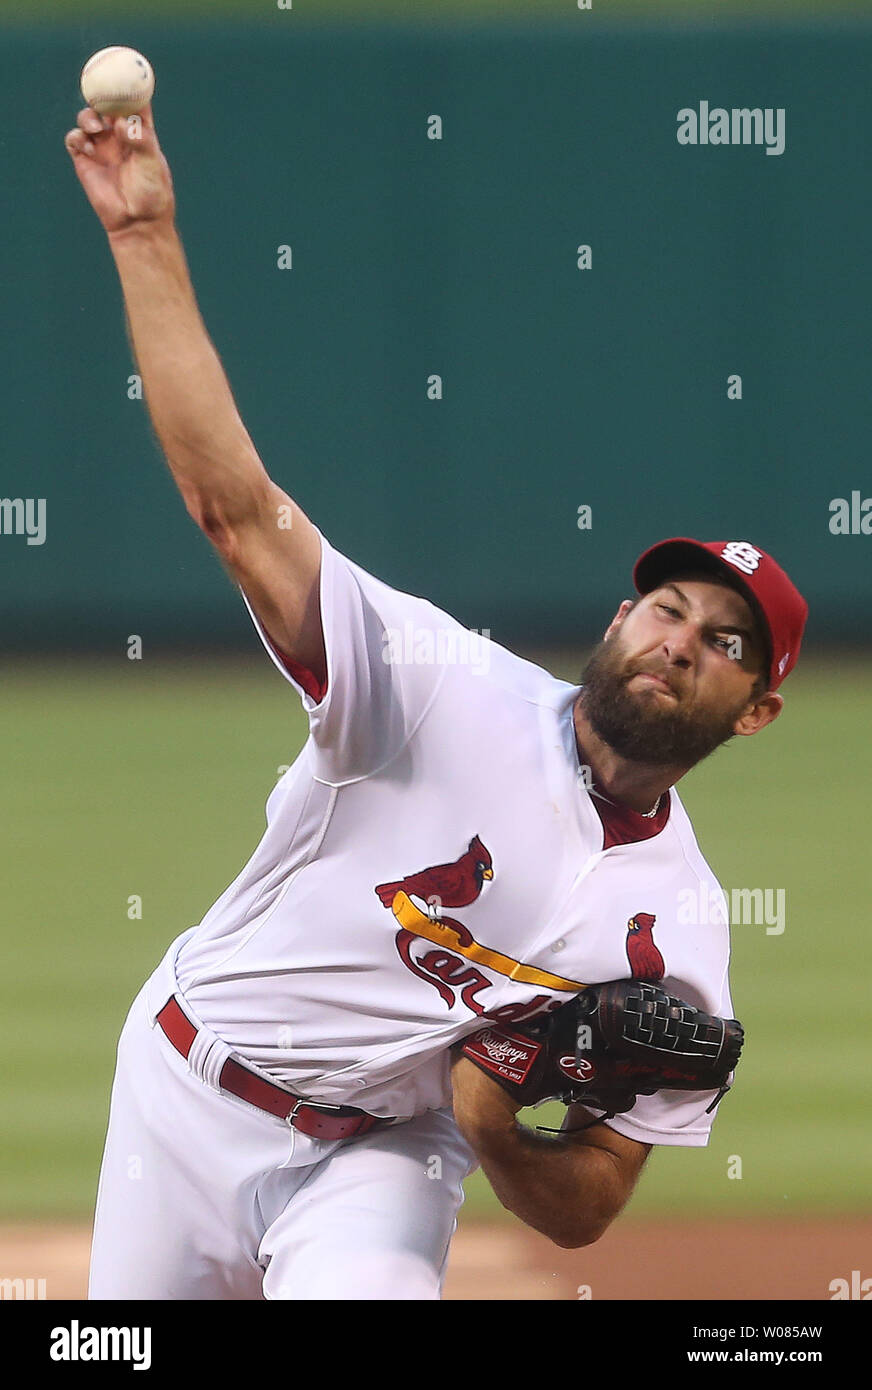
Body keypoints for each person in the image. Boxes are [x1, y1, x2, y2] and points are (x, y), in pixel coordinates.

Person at [65, 104, 807, 1301]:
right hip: (180, 1086)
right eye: (665, 607)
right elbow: (238, 511)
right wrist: (144, 234)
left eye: (724, 641)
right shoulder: (434, 687)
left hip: (384, 1157)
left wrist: (497, 1122)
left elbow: (589, 1211)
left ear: (752, 709)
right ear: (618, 621)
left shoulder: (681, 933)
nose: (680, 642)